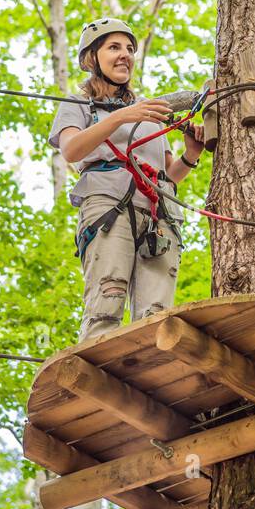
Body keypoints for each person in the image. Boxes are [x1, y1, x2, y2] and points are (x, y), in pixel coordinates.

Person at [49, 18, 207, 341]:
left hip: (157, 217)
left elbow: (168, 176)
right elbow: (71, 149)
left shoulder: (146, 113)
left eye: (130, 49)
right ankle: (97, 381)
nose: (125, 55)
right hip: (110, 209)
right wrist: (122, 116)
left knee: (156, 317)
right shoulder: (80, 105)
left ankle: (151, 383)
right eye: (114, 47)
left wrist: (190, 155)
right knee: (107, 303)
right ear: (92, 59)